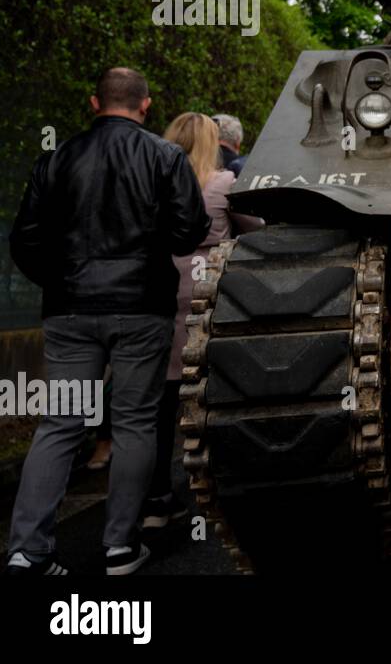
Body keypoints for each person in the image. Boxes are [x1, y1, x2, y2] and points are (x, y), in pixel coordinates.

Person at [5, 68, 210, 575]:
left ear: (95, 101)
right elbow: (190, 233)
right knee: (136, 422)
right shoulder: (165, 157)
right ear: (146, 105)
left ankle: (28, 551)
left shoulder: (55, 159)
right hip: (141, 309)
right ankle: (120, 546)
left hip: (70, 310)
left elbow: (25, 241)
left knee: (60, 423)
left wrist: (63, 279)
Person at [141, 113, 261, 530]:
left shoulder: (151, 181)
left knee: (159, 400)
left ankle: (155, 497)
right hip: (206, 286)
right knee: (219, 389)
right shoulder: (224, 183)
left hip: (157, 282)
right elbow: (256, 229)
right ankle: (226, 483)